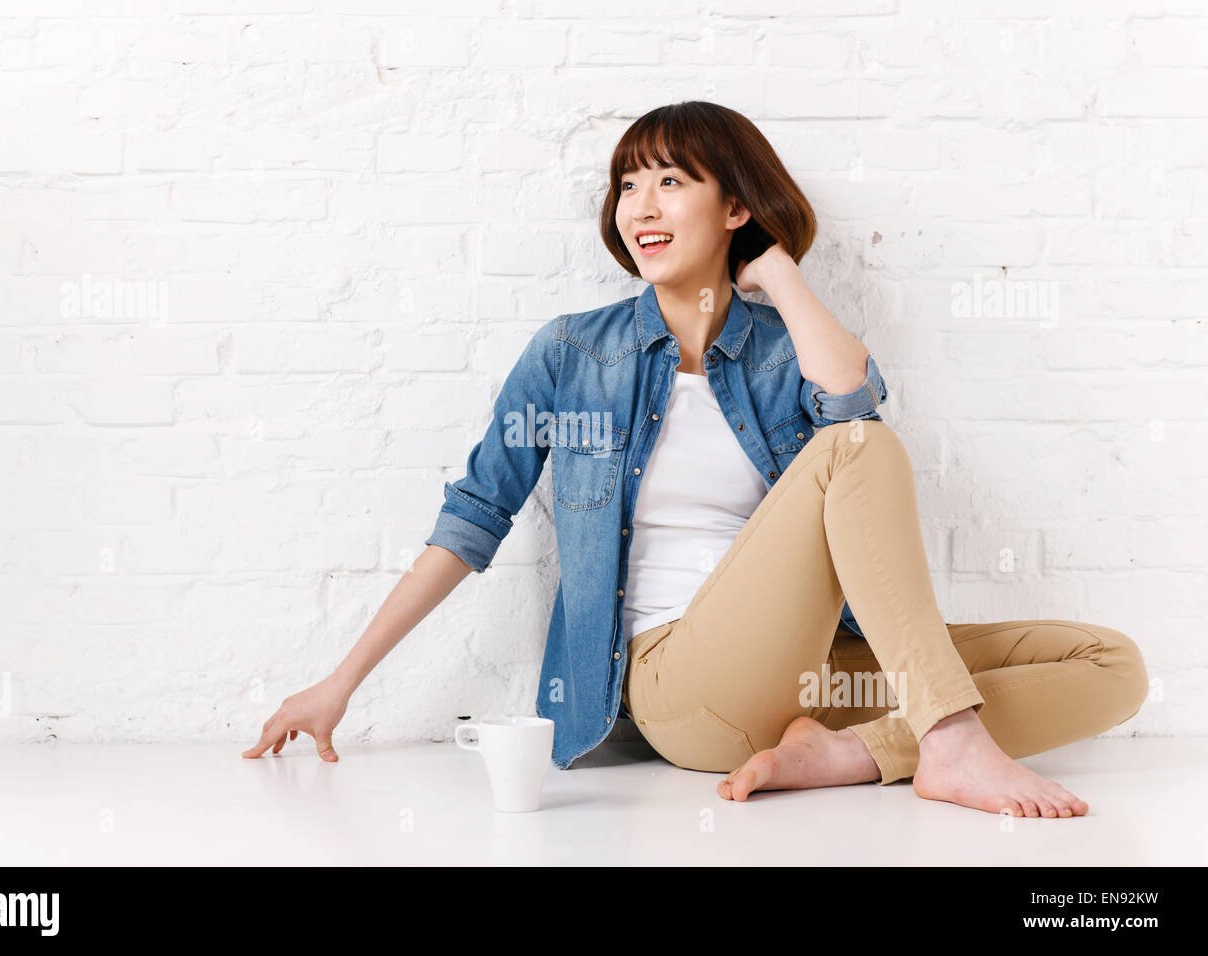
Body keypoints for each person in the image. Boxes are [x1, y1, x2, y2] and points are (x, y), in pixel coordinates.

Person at [244, 101, 1148, 818]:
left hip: (806, 670)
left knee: (1112, 664)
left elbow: (850, 400)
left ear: (735, 207)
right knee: (856, 450)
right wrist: (341, 683)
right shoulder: (571, 354)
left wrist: (782, 277)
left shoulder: (778, 348)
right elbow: (475, 518)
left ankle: (858, 752)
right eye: (627, 185)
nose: (640, 205)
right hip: (677, 686)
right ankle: (946, 740)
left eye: (670, 181)